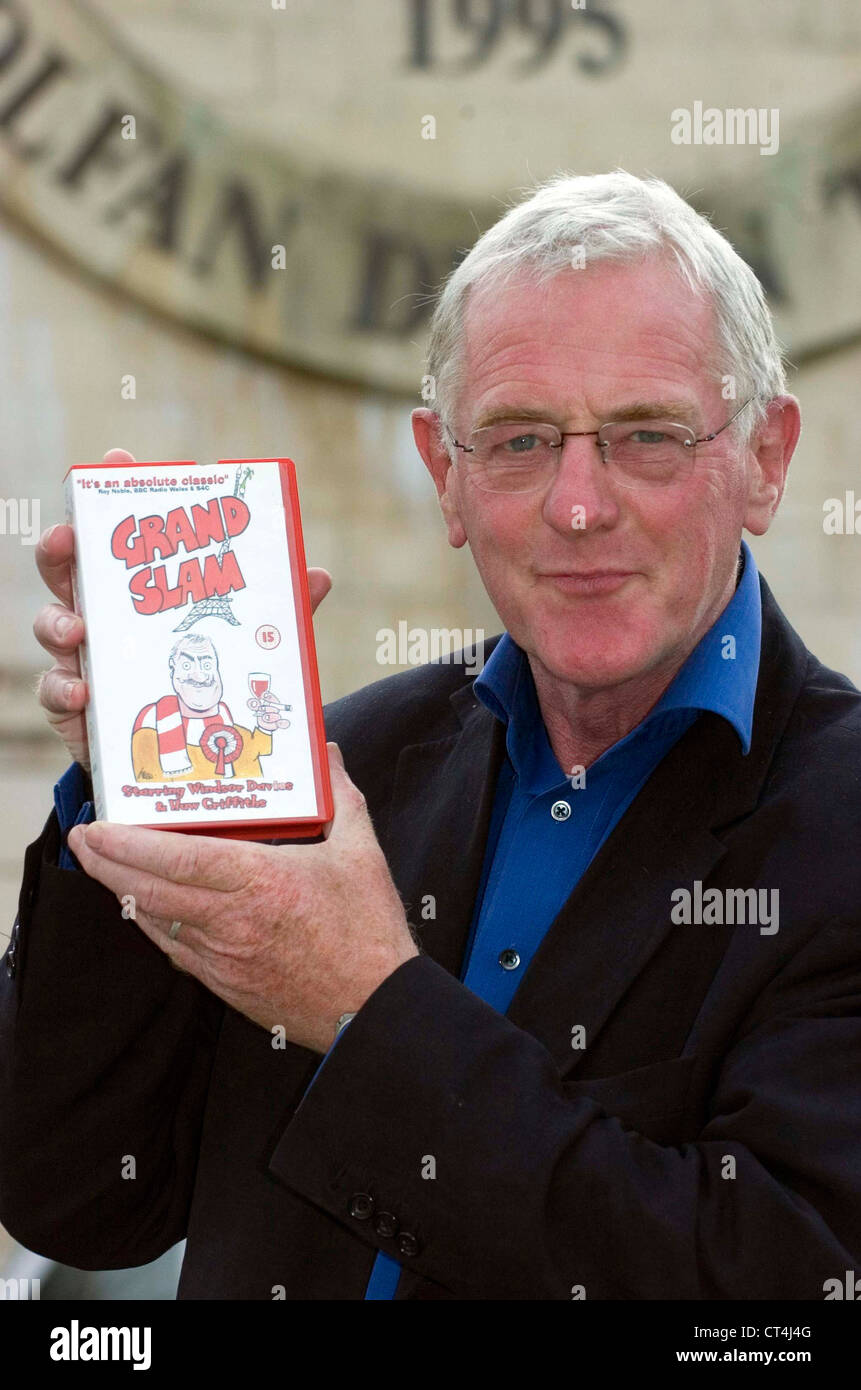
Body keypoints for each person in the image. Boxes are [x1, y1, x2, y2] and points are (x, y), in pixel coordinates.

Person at [1, 170, 860, 1300]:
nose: (580, 503)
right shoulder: (334, 770)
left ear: (764, 457)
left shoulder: (840, 821)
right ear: (444, 474)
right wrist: (123, 779)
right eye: (517, 441)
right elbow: (76, 1195)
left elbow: (775, 1298)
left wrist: (367, 1007)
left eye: (648, 435)